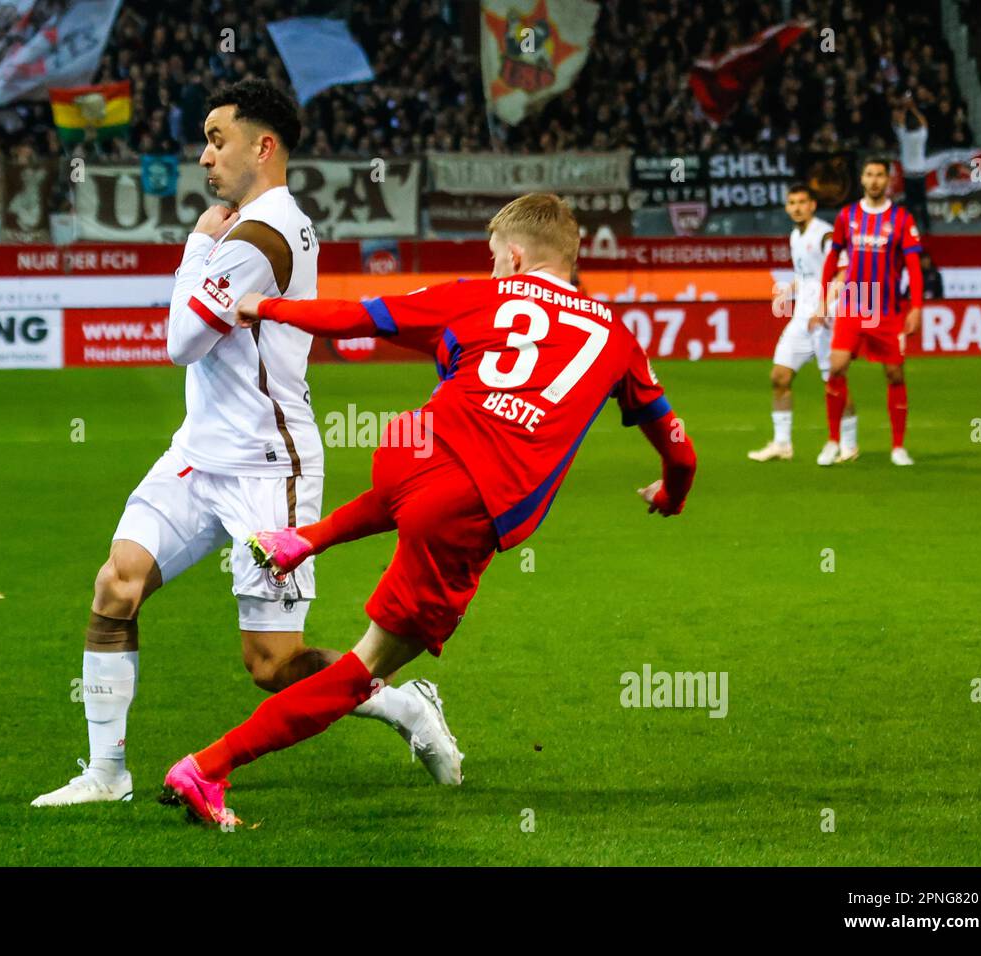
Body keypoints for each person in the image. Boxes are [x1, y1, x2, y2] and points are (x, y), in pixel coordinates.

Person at [157, 193, 698, 826]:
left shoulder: (479, 294)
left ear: (515, 257)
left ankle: (304, 540)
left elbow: (355, 318)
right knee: (364, 670)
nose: (494, 266)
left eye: (496, 257)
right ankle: (207, 768)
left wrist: (266, 306)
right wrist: (671, 494)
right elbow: (681, 451)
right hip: (470, 504)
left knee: (413, 494)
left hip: (410, 445)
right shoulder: (618, 336)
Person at [32, 79, 458, 808]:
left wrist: (195, 246)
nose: (204, 156)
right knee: (116, 585)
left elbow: (179, 342)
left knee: (271, 663)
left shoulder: (257, 236)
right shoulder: (261, 223)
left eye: (216, 138)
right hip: (198, 454)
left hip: (267, 466)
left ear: (263, 147)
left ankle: (403, 701)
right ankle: (107, 774)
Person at [816, 158, 924, 468]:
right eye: (869, 174)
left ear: (888, 181)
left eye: (880, 175)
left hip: (888, 310)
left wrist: (916, 307)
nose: (875, 180)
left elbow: (914, 268)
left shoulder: (901, 219)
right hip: (853, 304)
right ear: (862, 179)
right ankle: (834, 441)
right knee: (836, 368)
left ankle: (898, 447)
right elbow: (832, 258)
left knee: (894, 373)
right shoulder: (847, 216)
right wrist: (824, 299)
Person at [748, 183, 857, 462]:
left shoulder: (825, 234)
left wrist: (824, 306)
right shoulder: (795, 236)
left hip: (826, 318)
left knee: (834, 382)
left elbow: (844, 271)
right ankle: (782, 444)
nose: (797, 207)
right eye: (792, 203)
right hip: (802, 318)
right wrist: (788, 292)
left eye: (802, 202)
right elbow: (806, 274)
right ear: (787, 207)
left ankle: (849, 444)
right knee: (779, 376)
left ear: (812, 205)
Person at [894, 95, 930, 234]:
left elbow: (900, 122)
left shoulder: (904, 136)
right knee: (922, 202)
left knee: (910, 203)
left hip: (909, 174)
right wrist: (913, 108)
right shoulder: (921, 135)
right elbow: (924, 122)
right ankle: (926, 227)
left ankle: (909, 227)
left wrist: (905, 107)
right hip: (919, 173)